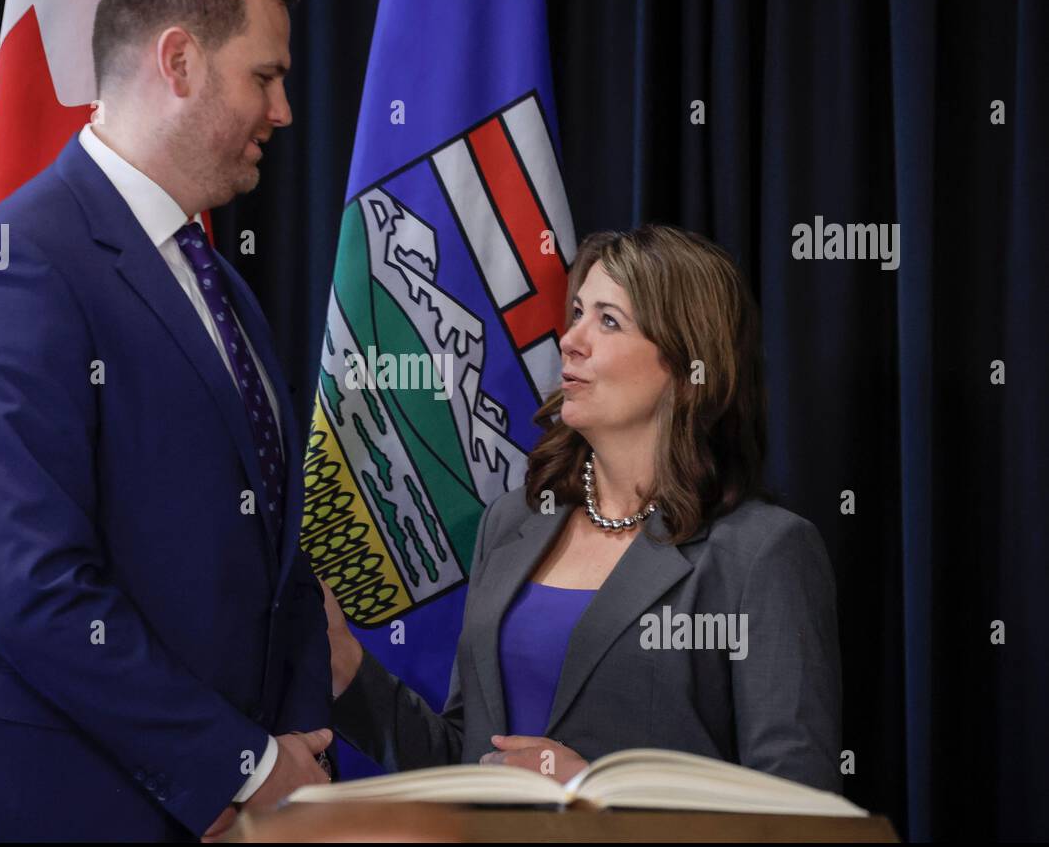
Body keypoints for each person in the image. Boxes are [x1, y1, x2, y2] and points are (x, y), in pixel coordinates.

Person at [0, 0, 333, 843]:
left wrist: (293, 755)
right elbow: (37, 589)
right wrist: (246, 770)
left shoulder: (226, 290)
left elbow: (275, 571)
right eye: (265, 76)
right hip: (48, 813)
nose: (285, 109)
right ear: (179, 61)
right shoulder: (12, 264)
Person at [326, 224, 844, 793]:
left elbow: (799, 807)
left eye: (609, 320)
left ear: (688, 364)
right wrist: (349, 672)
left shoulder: (762, 552)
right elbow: (471, 764)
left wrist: (597, 793)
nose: (572, 339)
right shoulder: (510, 524)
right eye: (577, 313)